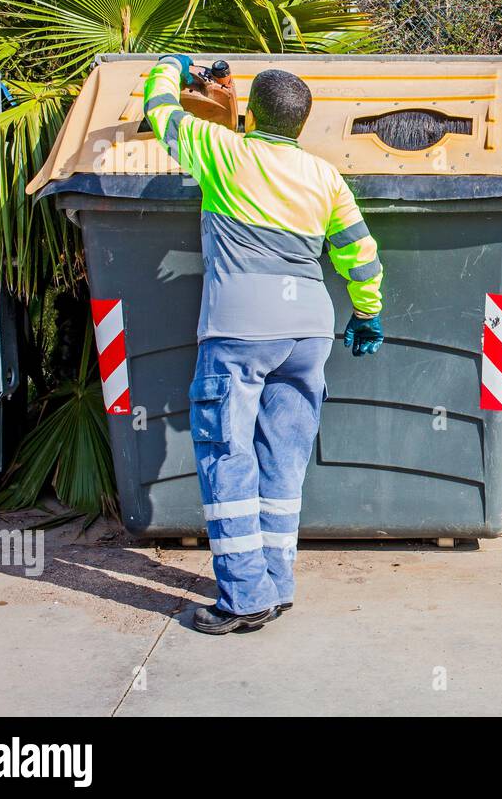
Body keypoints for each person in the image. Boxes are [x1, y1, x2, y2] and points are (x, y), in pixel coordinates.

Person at [144, 55, 386, 635]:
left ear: (249, 114)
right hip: (309, 333)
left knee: (227, 456)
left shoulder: (223, 151)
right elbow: (360, 252)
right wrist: (367, 311)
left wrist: (171, 67)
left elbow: (159, 112)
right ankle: (276, 583)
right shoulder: (325, 177)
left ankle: (244, 598)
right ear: (302, 124)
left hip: (240, 330)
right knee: (284, 461)